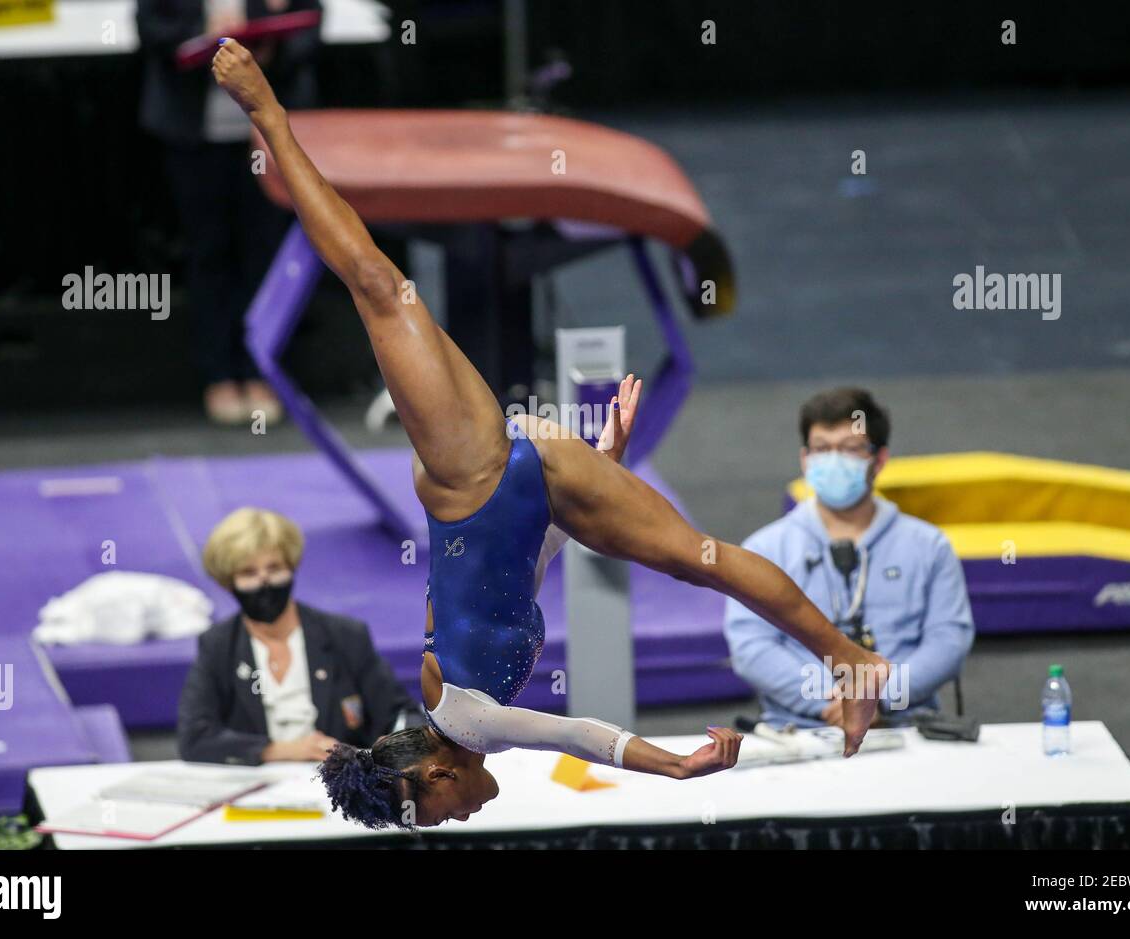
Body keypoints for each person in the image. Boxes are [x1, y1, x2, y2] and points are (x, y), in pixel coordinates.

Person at [210, 40, 890, 830]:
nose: (459, 819)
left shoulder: (467, 720)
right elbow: (508, 573)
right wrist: (595, 477)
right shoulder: (465, 705)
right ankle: (852, 659)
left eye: (441, 815)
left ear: (434, 773)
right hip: (533, 493)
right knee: (706, 561)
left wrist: (673, 764)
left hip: (475, 470)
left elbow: (576, 735)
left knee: (379, 288)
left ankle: (268, 113)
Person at [724, 388, 974, 731]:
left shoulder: (929, 546)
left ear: (879, 459)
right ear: (804, 459)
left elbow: (948, 641)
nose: (834, 459)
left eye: (850, 449)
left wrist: (878, 699)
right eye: (822, 449)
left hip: (907, 726)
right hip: (798, 731)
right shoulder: (765, 549)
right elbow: (751, 646)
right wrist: (830, 700)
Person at [137, 0, 322, 424]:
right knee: (209, 253)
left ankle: (264, 370)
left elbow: (308, 30)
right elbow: (150, 29)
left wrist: (265, 33)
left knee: (268, 253)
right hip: (195, 134)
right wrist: (203, 29)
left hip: (270, 138)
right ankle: (218, 373)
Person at [178, 507, 425, 765]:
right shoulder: (218, 646)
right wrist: (282, 750)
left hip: (339, 786)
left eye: (274, 568)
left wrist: (382, 756)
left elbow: (402, 716)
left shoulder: (345, 636)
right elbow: (194, 739)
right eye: (249, 573)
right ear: (228, 582)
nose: (265, 582)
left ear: (292, 567)